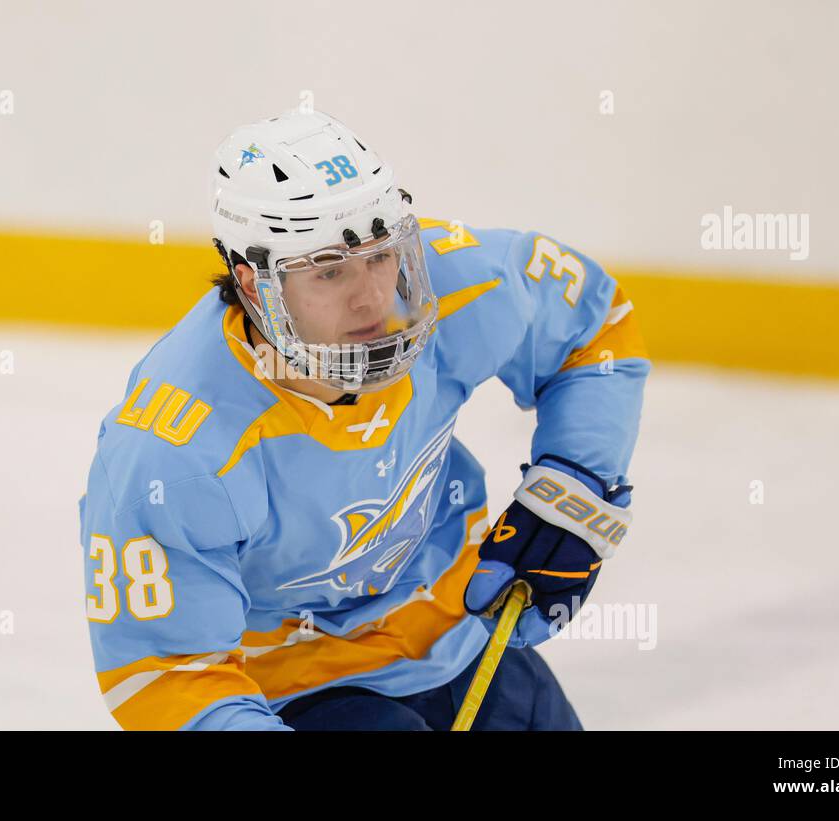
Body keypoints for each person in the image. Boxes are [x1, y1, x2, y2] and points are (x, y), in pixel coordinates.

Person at [79, 109, 650, 730]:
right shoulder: (173, 450)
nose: (373, 299)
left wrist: (575, 482)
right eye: (328, 271)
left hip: (464, 632)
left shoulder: (453, 283)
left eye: (382, 257)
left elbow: (594, 327)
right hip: (300, 694)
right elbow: (166, 673)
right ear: (252, 282)